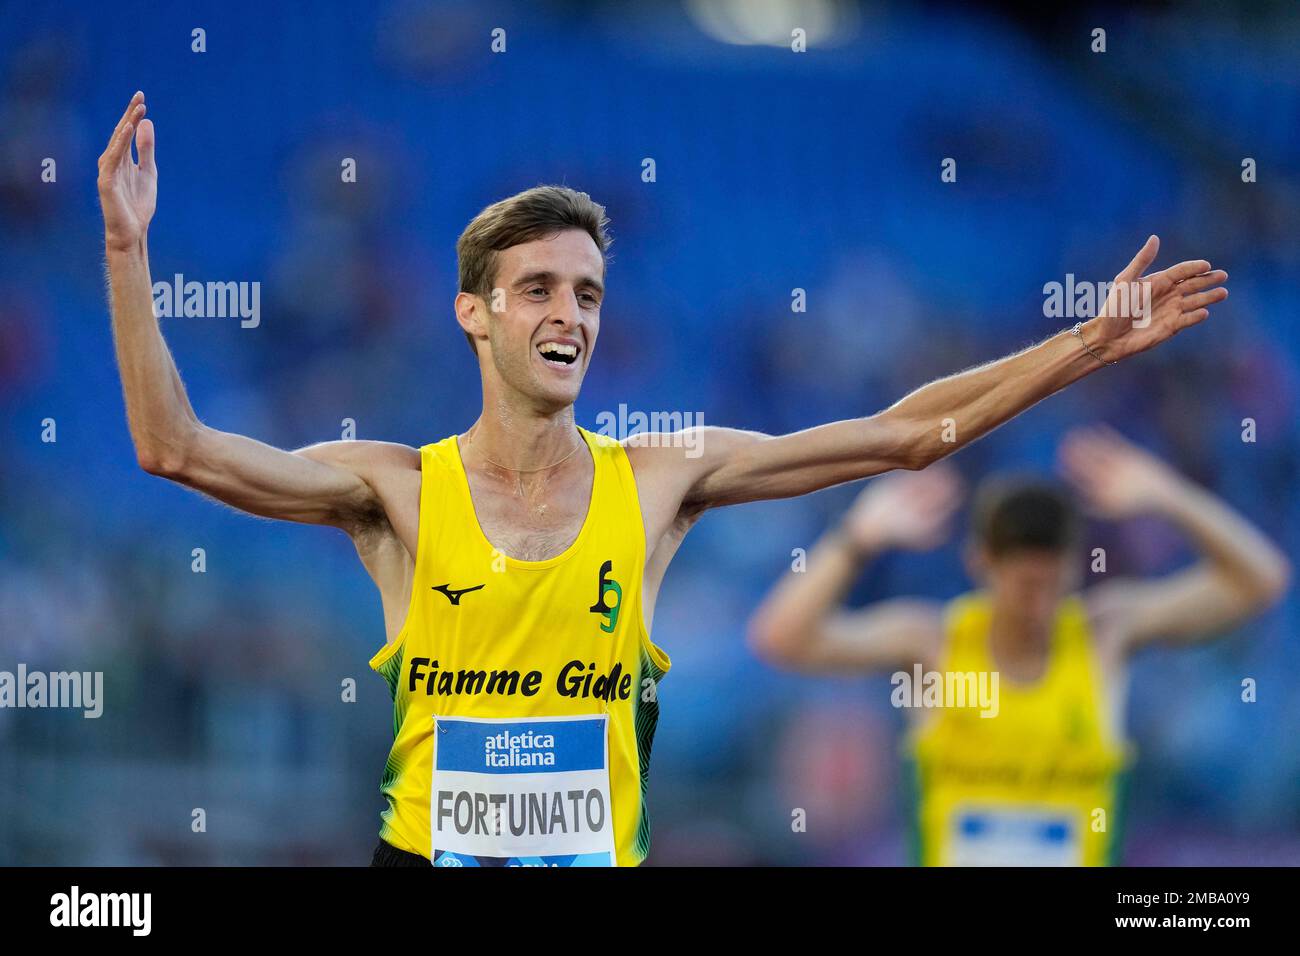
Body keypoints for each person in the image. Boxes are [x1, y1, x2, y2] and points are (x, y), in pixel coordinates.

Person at [98, 90, 1231, 866]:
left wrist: (1079, 345)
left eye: (587, 293)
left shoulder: (660, 479)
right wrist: (126, 250)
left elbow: (903, 436)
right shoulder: (393, 488)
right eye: (536, 288)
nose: (568, 314)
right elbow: (175, 448)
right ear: (473, 313)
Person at [747, 426, 1290, 865]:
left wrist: (1171, 497)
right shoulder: (932, 645)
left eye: (1054, 585)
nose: (1040, 606)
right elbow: (780, 638)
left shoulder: (1105, 635)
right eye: (1025, 586)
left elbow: (1261, 580)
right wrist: (857, 538)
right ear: (981, 563)